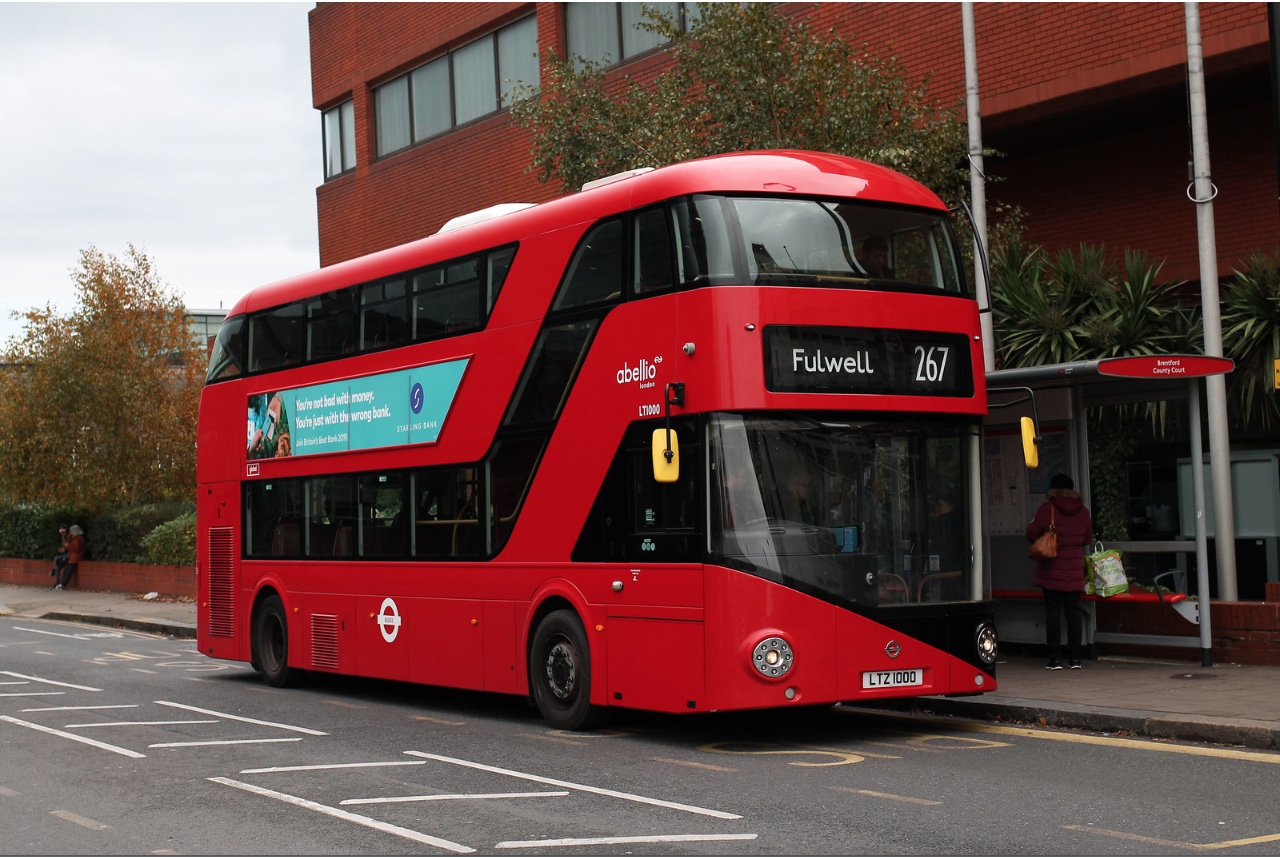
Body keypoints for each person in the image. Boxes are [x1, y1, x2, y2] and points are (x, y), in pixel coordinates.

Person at [1026, 473, 1093, 670]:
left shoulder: (1048, 509)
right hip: (1073, 571)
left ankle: (1055, 658)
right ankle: (1075, 658)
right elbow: (1086, 539)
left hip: (1052, 570)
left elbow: (1030, 532)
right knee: (1073, 613)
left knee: (1053, 614)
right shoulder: (1084, 512)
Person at [55, 524, 87, 591]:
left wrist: (68, 545)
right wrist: (65, 548)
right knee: (66, 570)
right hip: (72, 557)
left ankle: (62, 584)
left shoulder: (78, 539)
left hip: (75, 558)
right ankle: (60, 583)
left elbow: (76, 549)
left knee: (68, 571)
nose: (70, 532)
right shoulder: (74, 538)